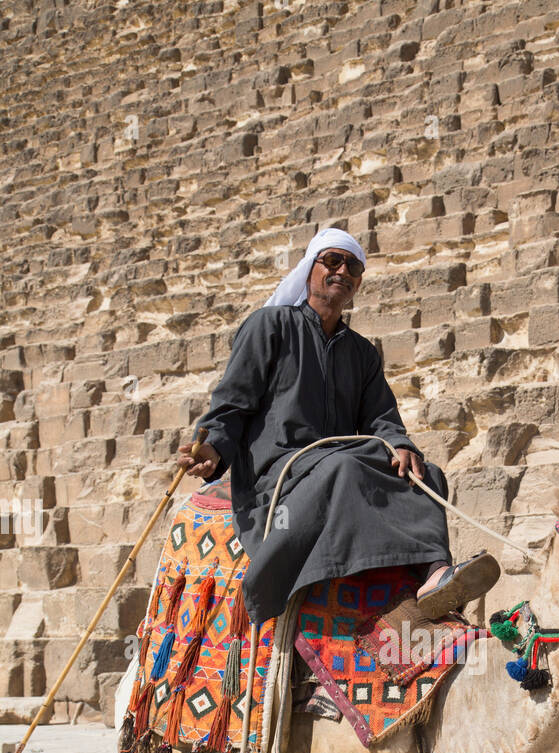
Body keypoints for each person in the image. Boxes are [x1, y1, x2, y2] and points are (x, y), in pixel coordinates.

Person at [180, 226, 499, 624]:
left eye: (353, 266)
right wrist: (213, 447)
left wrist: (399, 443)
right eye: (332, 260)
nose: (342, 271)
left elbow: (381, 417)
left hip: (336, 462)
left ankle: (434, 574)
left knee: (424, 473)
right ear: (310, 268)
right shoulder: (269, 327)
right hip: (279, 477)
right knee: (343, 468)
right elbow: (233, 401)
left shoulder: (362, 353)